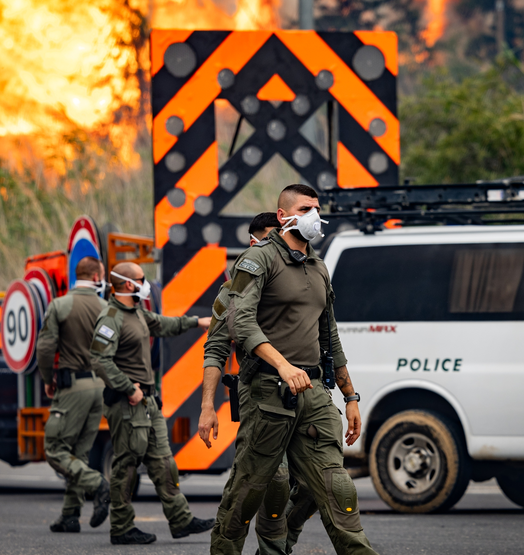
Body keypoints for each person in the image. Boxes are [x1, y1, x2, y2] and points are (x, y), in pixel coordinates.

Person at [210, 184, 377, 555]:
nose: (315, 214)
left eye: (317, 208)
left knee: (338, 489)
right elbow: (240, 324)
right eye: (306, 207)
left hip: (314, 393)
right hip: (268, 391)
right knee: (250, 491)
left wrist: (350, 396)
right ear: (284, 216)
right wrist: (283, 365)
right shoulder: (258, 260)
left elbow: (329, 337)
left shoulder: (318, 267)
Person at [199, 211, 316, 555]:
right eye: (271, 239)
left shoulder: (304, 279)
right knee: (273, 479)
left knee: (315, 485)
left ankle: (282, 540)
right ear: (255, 243)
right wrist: (207, 406)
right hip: (261, 395)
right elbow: (216, 347)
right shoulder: (233, 291)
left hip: (305, 396)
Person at [90, 262, 216, 545]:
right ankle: (121, 527)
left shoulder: (136, 312)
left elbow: (163, 324)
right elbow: (98, 360)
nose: (146, 283)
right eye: (141, 279)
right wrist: (127, 388)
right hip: (127, 403)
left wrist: (198, 322)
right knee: (126, 465)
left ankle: (181, 520)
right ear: (128, 284)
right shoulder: (110, 318)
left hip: (147, 402)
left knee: (163, 462)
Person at [36, 256, 111, 534]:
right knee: (79, 452)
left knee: (55, 450)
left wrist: (48, 379)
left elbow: (45, 348)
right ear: (94, 277)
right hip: (98, 388)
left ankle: (98, 484)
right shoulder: (107, 308)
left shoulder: (60, 305)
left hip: (72, 387)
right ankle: (70, 515)